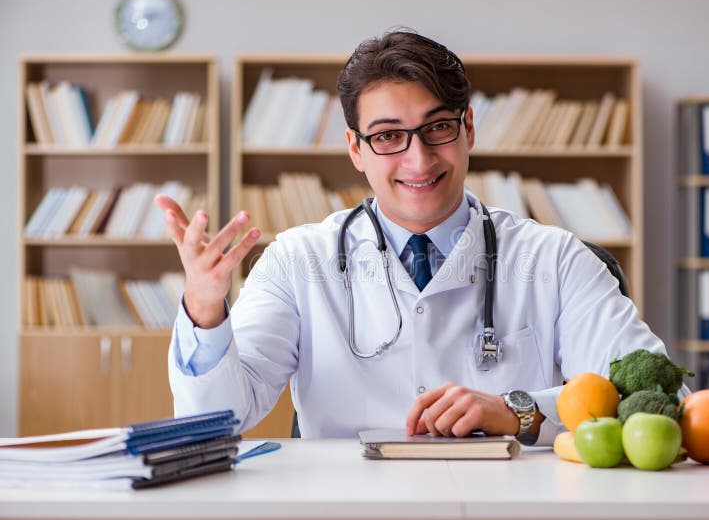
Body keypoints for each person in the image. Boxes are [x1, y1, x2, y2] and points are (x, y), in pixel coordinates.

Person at [157, 30, 670, 446]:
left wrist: (522, 410)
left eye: (438, 128)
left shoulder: (555, 258)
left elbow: (658, 397)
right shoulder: (297, 260)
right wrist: (205, 308)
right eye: (387, 136)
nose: (419, 159)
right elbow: (217, 421)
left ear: (468, 129)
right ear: (356, 150)